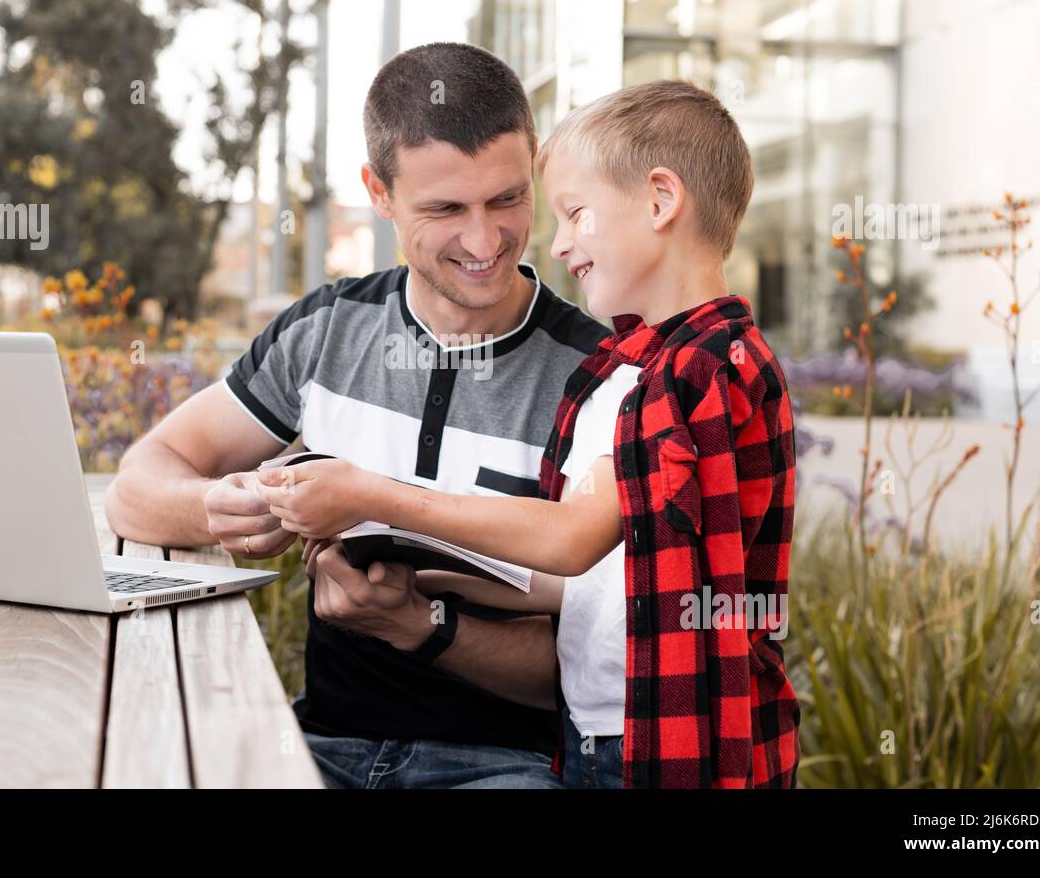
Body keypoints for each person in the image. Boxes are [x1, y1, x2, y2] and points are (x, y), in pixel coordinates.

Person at [258, 80, 801, 789]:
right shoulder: (627, 373)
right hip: (599, 731)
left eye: (577, 214)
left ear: (662, 201)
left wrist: (372, 495)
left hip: (672, 747)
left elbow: (571, 538)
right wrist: (414, 574)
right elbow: (588, 576)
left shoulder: (704, 373)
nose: (559, 242)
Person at [104, 42, 609, 788]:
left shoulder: (600, 375)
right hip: (320, 744)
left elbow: (580, 676)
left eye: (506, 199)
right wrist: (222, 508)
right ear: (378, 192)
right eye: (444, 209)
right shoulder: (327, 331)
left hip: (507, 765)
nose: (484, 240)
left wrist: (422, 628)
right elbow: (136, 483)